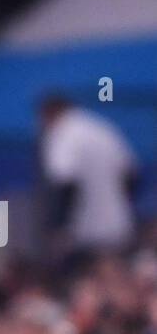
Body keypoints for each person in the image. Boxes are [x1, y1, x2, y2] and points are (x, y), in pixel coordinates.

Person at [38, 94, 138, 258]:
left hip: (84, 233)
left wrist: (61, 226)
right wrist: (120, 205)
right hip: (119, 227)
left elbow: (67, 183)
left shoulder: (62, 132)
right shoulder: (102, 128)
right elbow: (133, 175)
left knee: (85, 280)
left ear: (49, 113)